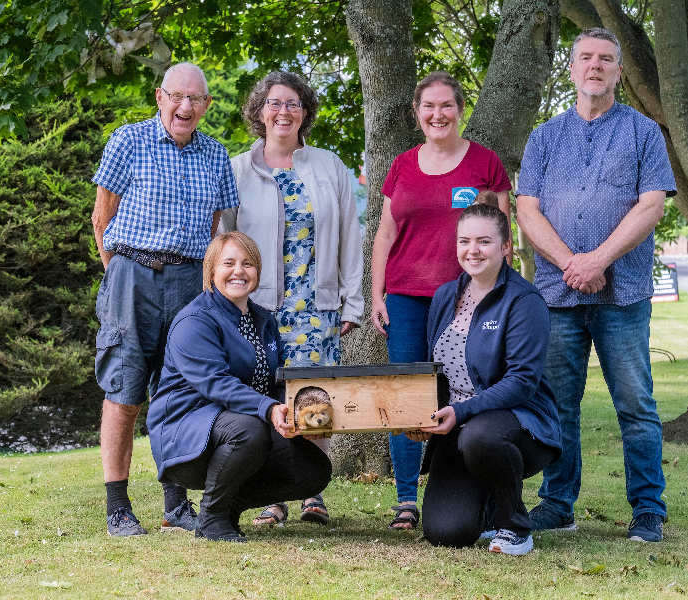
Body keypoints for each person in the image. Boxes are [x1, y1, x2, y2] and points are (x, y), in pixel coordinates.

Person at [516, 27, 677, 543]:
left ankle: (648, 509)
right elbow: (527, 208)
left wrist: (600, 259)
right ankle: (558, 502)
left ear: (619, 72)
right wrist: (571, 263)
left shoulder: (644, 133)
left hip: (622, 294)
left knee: (635, 405)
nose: (595, 66)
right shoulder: (545, 136)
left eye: (606, 59)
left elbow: (651, 205)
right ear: (571, 69)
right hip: (557, 297)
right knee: (559, 404)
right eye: (586, 57)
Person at [91, 62, 239, 536]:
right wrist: (117, 274)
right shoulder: (128, 141)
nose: (185, 106)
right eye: (177, 96)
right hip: (131, 272)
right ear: (160, 97)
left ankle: (175, 504)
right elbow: (101, 217)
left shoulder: (216, 155)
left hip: (188, 281)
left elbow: (216, 226)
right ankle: (117, 506)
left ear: (207, 105)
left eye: (195, 99)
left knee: (179, 390)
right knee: (125, 389)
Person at [220, 71, 363, 526]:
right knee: (265, 395)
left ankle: (313, 493)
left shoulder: (328, 166)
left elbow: (349, 237)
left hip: (316, 305)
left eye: (294, 103)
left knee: (314, 396)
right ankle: (273, 496)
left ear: (305, 112)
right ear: (259, 111)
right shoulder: (238, 170)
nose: (284, 112)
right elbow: (225, 241)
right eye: (275, 103)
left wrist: (352, 302)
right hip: (256, 307)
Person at [370, 72, 511, 530]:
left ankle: (474, 481)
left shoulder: (486, 164)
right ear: (417, 113)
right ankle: (407, 499)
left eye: (446, 105)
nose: (438, 114)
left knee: (472, 386)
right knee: (407, 394)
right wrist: (377, 293)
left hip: (467, 297)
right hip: (407, 296)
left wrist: (501, 295)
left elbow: (502, 233)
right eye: (428, 107)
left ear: (460, 109)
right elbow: (386, 233)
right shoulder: (402, 165)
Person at [146, 232, 332, 542]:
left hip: (240, 430)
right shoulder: (195, 320)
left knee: (313, 469)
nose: (239, 271)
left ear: (257, 272)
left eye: (248, 264)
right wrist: (268, 409)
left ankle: (226, 508)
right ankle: (211, 519)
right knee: (249, 429)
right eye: (228, 263)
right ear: (212, 271)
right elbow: (215, 384)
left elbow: (272, 382)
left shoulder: (263, 320)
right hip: (185, 433)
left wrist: (291, 414)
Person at [413, 195, 561, 554]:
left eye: (484, 241)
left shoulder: (524, 301)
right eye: (464, 241)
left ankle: (515, 527)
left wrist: (462, 412)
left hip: (516, 424)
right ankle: (491, 506)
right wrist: (417, 414)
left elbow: (522, 382)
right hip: (457, 429)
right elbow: (434, 372)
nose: (472, 251)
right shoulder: (445, 295)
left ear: (506, 246)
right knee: (445, 532)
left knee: (480, 437)